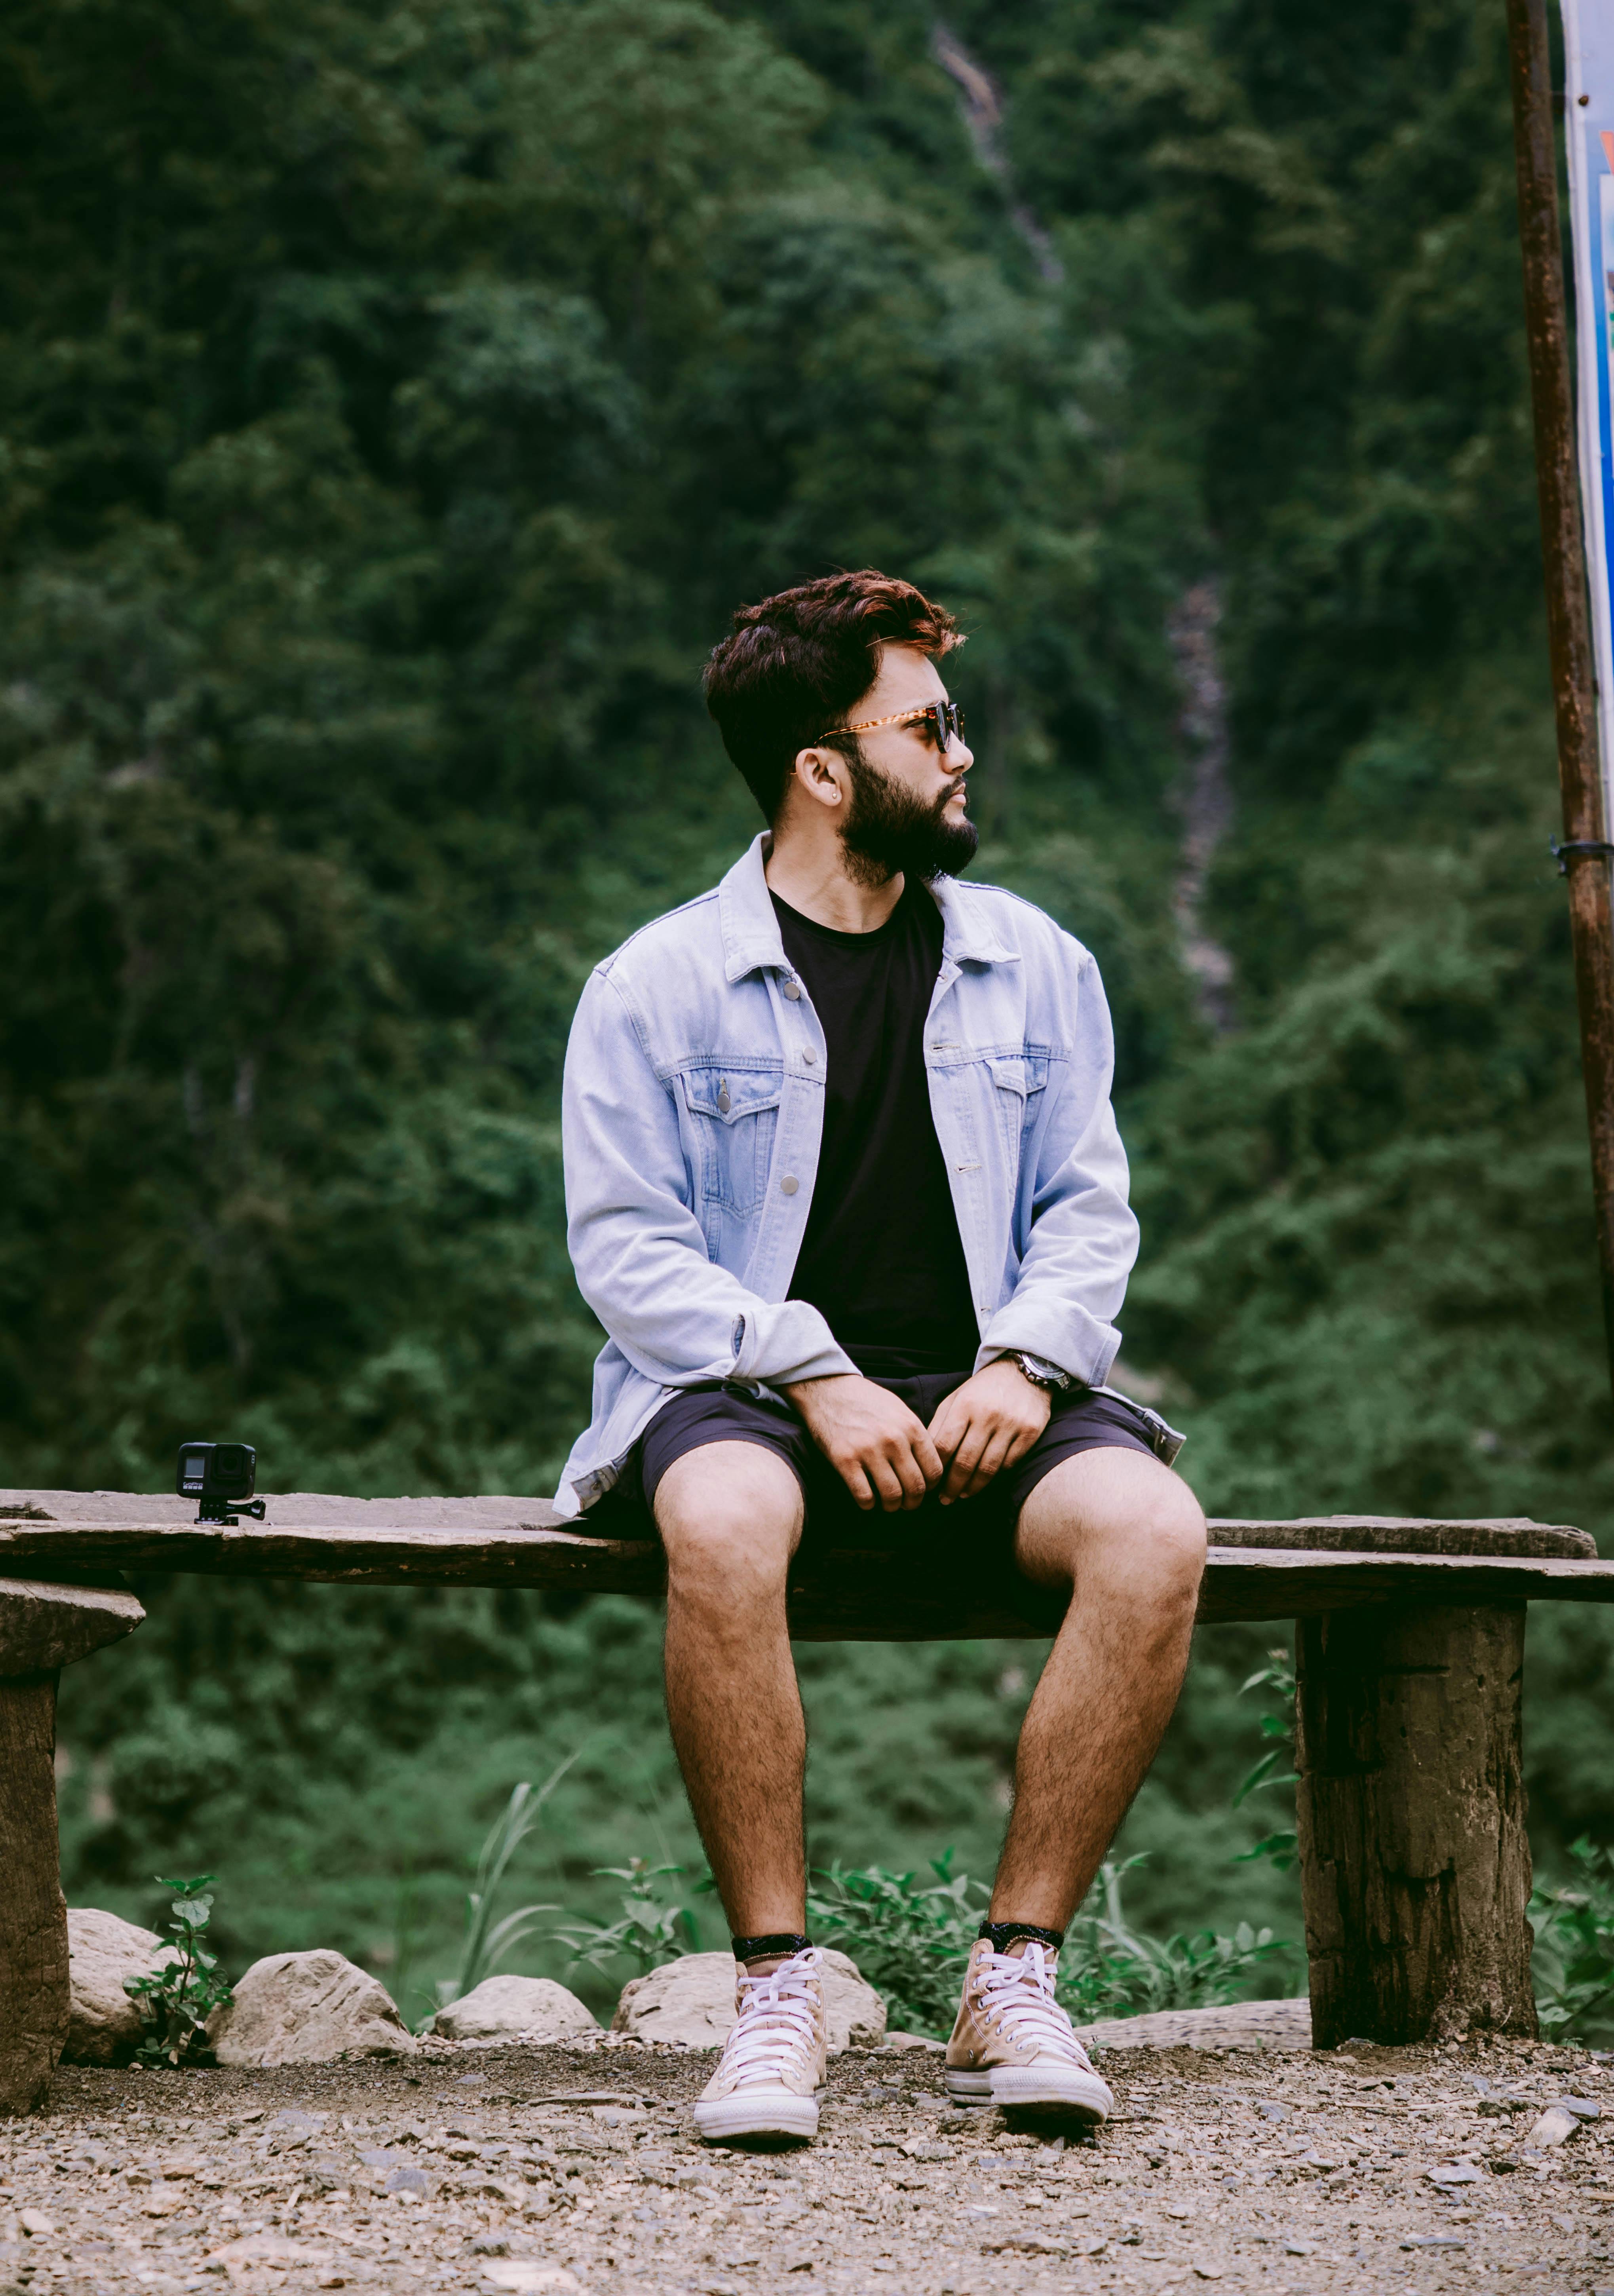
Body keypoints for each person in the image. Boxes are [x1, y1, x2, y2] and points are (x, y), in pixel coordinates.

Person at [557, 568, 1207, 2142]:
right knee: (722, 1517)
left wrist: (1029, 1364)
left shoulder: (1034, 962)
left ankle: (1016, 1974)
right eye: (929, 726)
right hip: (748, 1398)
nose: (963, 751)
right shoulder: (655, 985)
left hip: (989, 1398)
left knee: (1153, 1530)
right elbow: (628, 1252)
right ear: (823, 770)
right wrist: (810, 1367)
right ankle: (775, 1994)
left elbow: (1089, 1211)